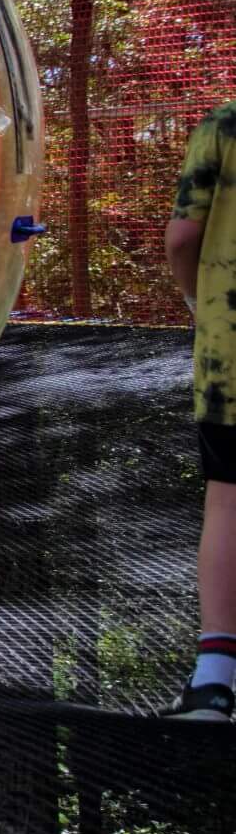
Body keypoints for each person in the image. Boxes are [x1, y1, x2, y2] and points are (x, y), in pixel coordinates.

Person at [163, 101, 236, 720]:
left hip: (229, 358)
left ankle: (215, 680)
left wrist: (196, 298)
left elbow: (182, 235)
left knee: (228, 499)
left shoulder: (224, 128)